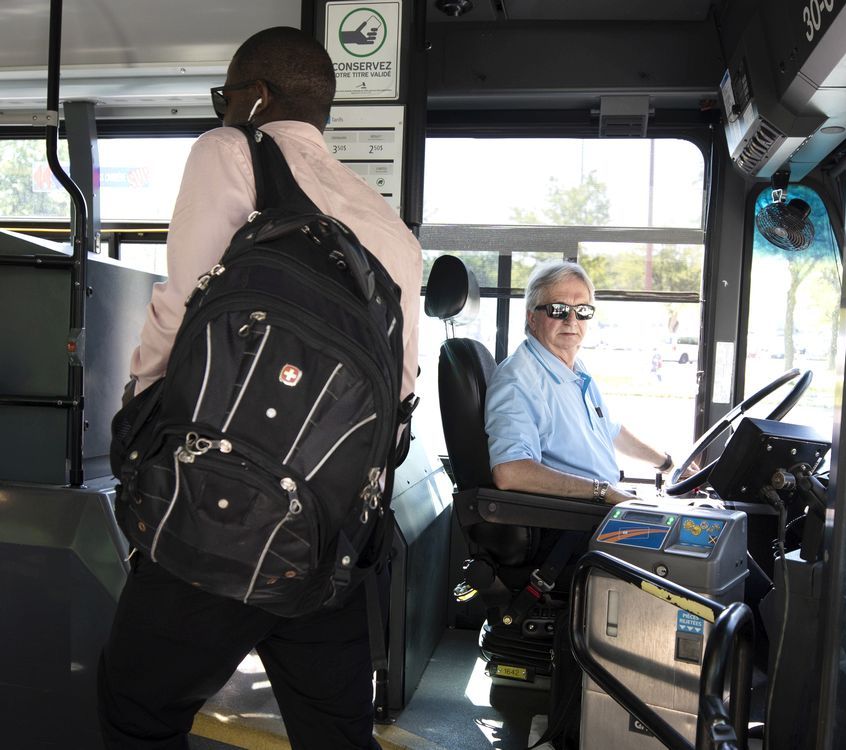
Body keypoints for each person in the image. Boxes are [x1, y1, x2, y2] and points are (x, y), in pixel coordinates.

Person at [97, 27, 422, 750]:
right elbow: (399, 393)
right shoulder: (389, 226)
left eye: (226, 96)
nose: (223, 109)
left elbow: (182, 305)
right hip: (332, 529)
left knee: (136, 710)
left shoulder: (230, 151)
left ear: (256, 97)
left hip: (220, 512)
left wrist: (137, 423)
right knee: (335, 735)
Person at [485, 261, 684, 505]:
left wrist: (668, 464)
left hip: (598, 503)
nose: (572, 319)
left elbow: (611, 432)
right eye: (558, 309)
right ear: (532, 317)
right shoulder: (519, 380)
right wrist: (604, 491)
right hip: (571, 520)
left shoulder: (575, 369)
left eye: (582, 310)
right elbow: (509, 472)